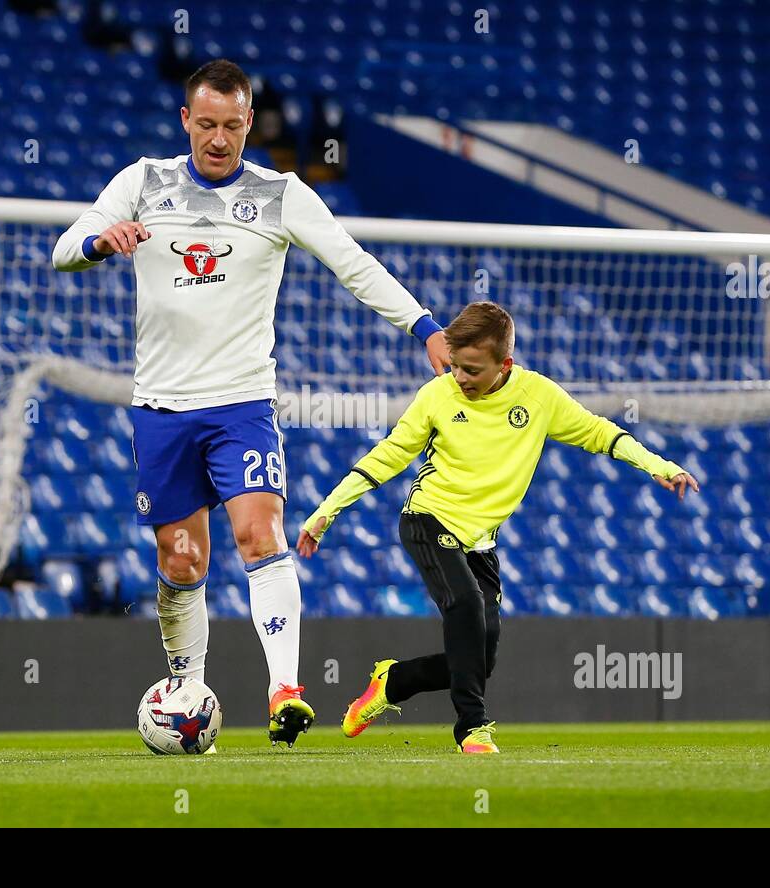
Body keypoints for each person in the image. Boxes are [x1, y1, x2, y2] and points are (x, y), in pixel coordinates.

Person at [52, 59, 450, 746]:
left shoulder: (281, 193)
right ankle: (187, 687)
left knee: (259, 534)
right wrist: (98, 241)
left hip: (242, 404)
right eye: (205, 124)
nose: (218, 138)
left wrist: (423, 325)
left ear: (248, 122)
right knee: (182, 561)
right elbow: (63, 251)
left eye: (232, 126)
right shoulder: (142, 181)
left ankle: (285, 691)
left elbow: (353, 262)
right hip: (162, 408)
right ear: (185, 120)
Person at [297, 301, 699, 753]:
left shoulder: (538, 396)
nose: (459, 378)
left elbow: (600, 433)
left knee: (478, 659)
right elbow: (388, 455)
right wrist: (326, 511)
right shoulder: (437, 396)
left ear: (504, 364)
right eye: (454, 367)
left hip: (480, 542)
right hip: (428, 520)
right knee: (465, 606)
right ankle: (472, 727)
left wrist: (657, 466)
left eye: (471, 369)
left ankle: (394, 682)